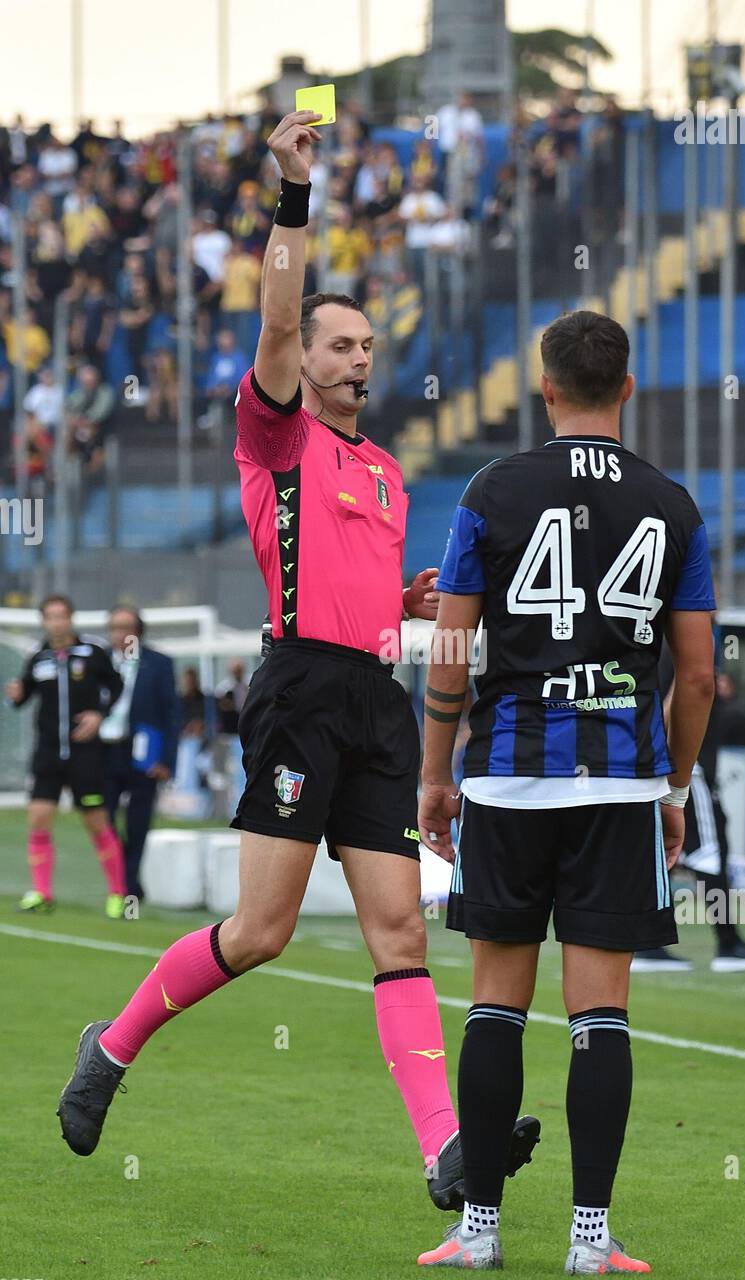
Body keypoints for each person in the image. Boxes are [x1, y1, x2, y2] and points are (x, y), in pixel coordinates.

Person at [56, 111, 537, 1215]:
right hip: (297, 695)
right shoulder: (275, 435)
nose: (357, 359)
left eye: (367, 347)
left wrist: (402, 603)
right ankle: (112, 1045)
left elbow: (357, 585)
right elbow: (277, 317)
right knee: (262, 932)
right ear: (302, 360)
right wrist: (292, 194)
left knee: (400, 930)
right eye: (338, 346)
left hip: (376, 699)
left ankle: (443, 1155)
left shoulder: (383, 472)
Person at [416, 309, 716, 1273]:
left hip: (507, 777)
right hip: (621, 787)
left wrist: (434, 773)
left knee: (496, 1006)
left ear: (545, 388)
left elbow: (453, 648)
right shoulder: (673, 505)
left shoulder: (491, 490)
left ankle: (480, 1230)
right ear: (627, 389)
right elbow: (700, 676)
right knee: (602, 1015)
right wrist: (672, 785)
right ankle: (591, 1240)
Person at [633, 644, 745, 973]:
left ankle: (649, 943)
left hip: (666, 761)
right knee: (709, 853)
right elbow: (684, 693)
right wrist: (666, 745)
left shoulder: (654, 643)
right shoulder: (678, 645)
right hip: (687, 764)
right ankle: (727, 944)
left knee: (665, 852)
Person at [4, 594, 127, 918]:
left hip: (84, 754)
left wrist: (98, 715)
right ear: (43, 621)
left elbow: (115, 687)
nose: (56, 622)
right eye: (50, 617)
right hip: (47, 753)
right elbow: (24, 695)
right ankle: (42, 893)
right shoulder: (38, 657)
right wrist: (15, 695)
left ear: (71, 618)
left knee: (97, 822)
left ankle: (118, 895)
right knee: (39, 819)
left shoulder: (92, 652)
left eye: (61, 616)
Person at [99, 605, 180, 902]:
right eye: (114, 628)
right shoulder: (99, 663)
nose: (119, 634)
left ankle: (128, 885)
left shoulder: (158, 664)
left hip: (144, 753)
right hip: (105, 751)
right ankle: (122, 874)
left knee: (138, 821)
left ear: (138, 632)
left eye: (125, 627)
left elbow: (172, 715)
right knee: (102, 819)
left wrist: (167, 760)